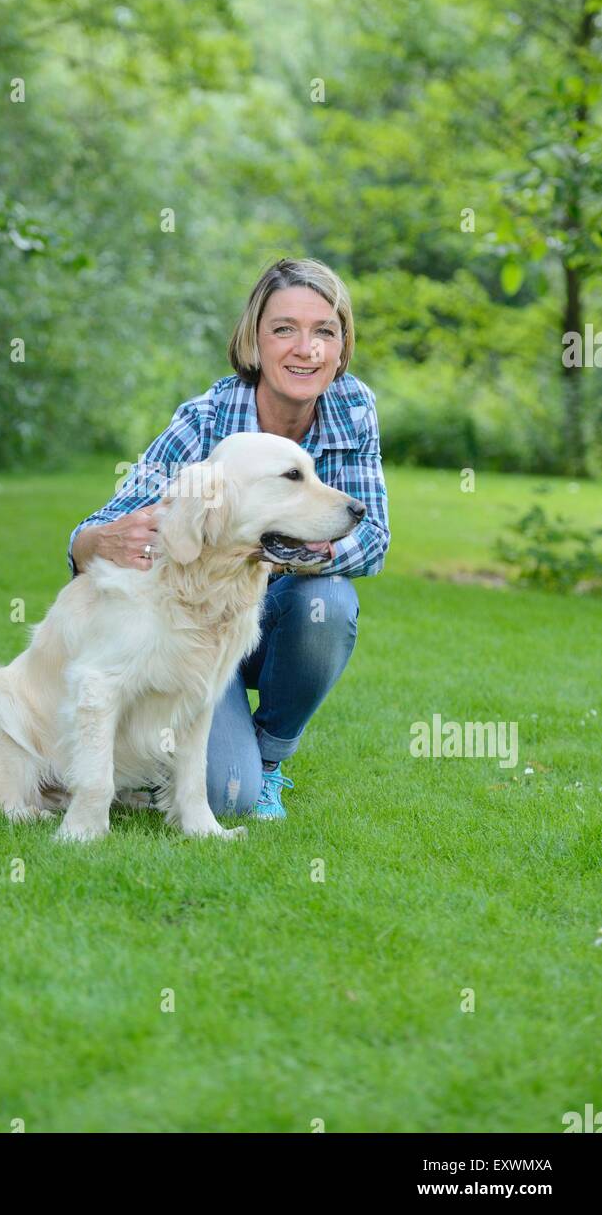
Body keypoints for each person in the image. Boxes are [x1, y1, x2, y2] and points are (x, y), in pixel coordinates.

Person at [68, 257, 390, 821]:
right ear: (254, 342)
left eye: (325, 332)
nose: (306, 349)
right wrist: (89, 543)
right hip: (189, 632)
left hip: (273, 618)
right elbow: (118, 518)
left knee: (329, 601)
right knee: (226, 798)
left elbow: (373, 539)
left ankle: (268, 761)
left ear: (341, 349)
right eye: (284, 329)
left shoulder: (353, 410)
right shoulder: (206, 419)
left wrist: (285, 552)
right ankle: (155, 763)